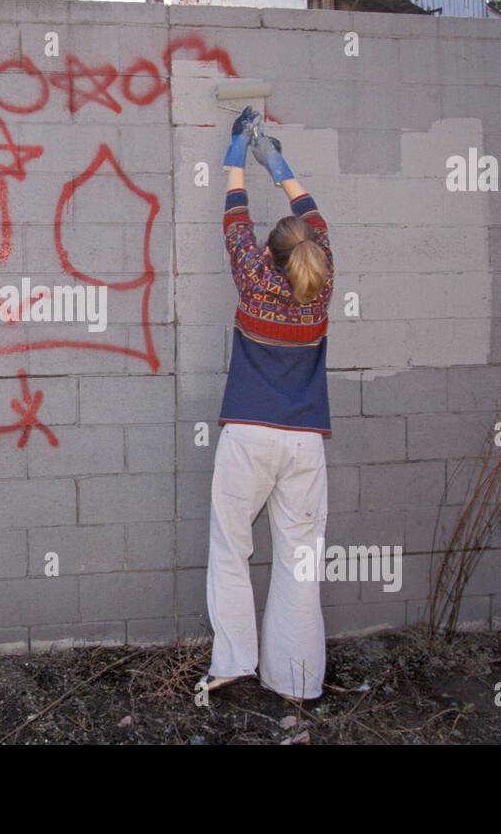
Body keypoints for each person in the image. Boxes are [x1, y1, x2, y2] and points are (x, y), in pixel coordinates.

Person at [197, 107, 335, 702]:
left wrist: (236, 154)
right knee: (300, 559)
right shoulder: (323, 279)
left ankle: (232, 666)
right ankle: (297, 681)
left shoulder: (255, 277)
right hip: (305, 441)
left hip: (248, 436)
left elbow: (234, 222)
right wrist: (276, 161)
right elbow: (314, 219)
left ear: (270, 253)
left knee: (232, 549)